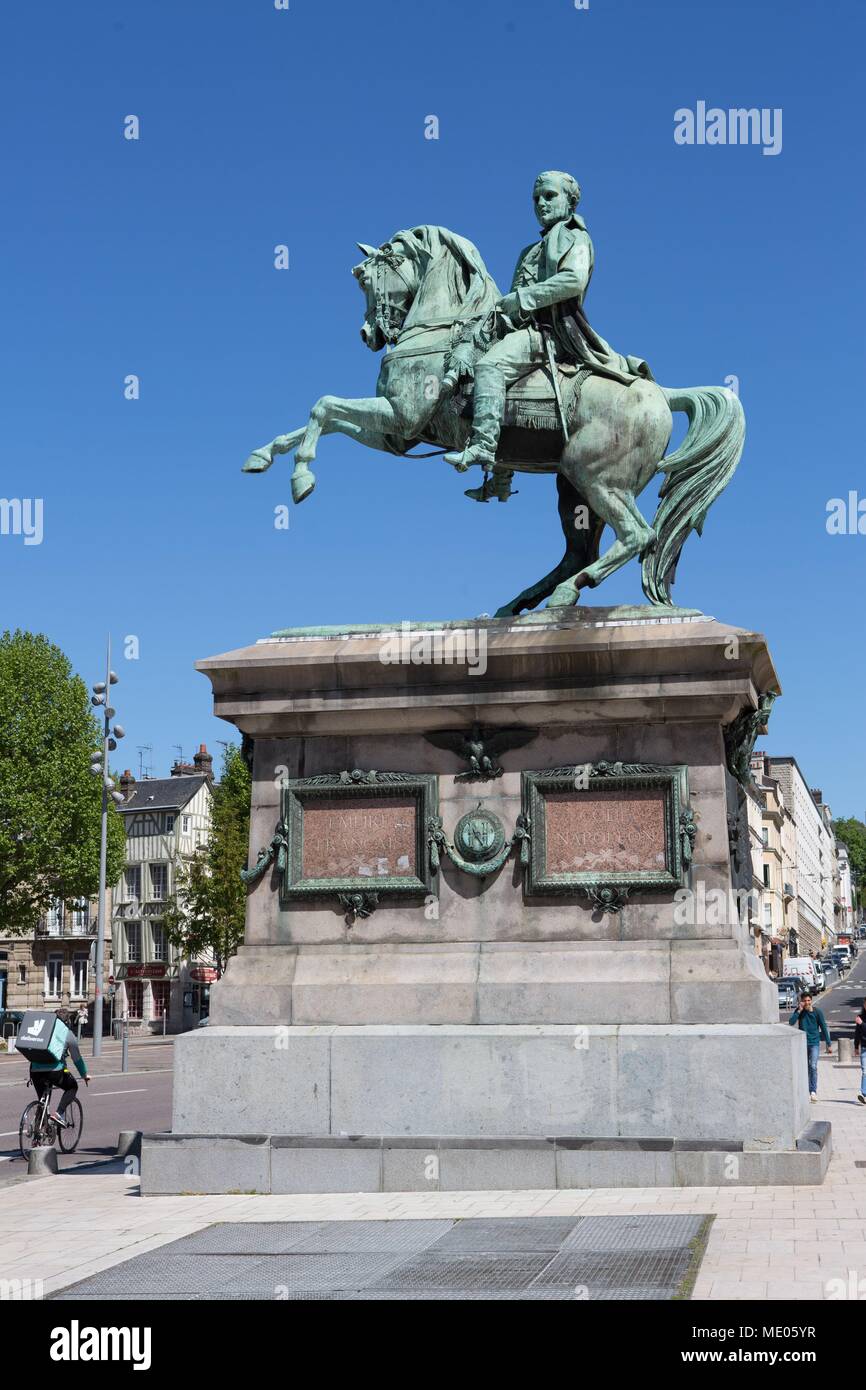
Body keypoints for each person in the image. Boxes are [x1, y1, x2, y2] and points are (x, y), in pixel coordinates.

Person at [443, 169, 651, 489]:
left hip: (550, 333)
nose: (541, 203)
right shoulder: (528, 252)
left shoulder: (576, 237)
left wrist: (522, 299)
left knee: (490, 367)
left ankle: (483, 445)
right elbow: (514, 305)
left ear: (570, 201)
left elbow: (573, 280)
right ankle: (500, 476)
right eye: (536, 198)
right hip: (521, 330)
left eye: (550, 196)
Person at [28, 1006, 89, 1126]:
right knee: (72, 1087)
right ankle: (58, 1114)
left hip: (34, 1070)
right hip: (54, 1071)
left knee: (43, 1100)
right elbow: (77, 1058)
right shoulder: (68, 1034)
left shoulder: (44, 1028)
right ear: (67, 1022)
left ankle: (36, 1133)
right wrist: (84, 1074)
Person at [789, 991, 832, 1102]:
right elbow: (791, 1022)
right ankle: (805, 1089)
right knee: (805, 1067)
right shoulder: (800, 1012)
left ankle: (813, 1091)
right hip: (803, 1043)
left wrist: (828, 1043)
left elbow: (823, 1026)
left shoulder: (817, 1012)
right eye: (804, 1001)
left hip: (814, 1043)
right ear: (801, 1001)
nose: (807, 1002)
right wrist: (798, 1011)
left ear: (811, 1001)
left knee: (812, 1066)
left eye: (808, 1000)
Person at [853, 998, 866, 1105]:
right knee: (864, 1070)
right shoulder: (860, 1017)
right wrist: (856, 1046)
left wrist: (862, 1024)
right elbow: (857, 1033)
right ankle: (864, 1094)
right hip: (864, 1048)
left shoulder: (861, 1020)